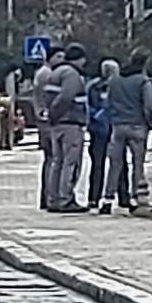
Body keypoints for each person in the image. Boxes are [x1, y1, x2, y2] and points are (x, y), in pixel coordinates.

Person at [106, 50, 152, 214]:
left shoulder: (115, 80)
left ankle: (107, 199)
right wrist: (150, 122)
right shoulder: (143, 81)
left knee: (115, 164)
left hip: (118, 125)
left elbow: (109, 101)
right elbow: (148, 106)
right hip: (137, 126)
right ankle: (135, 197)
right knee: (137, 164)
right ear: (144, 63)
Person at [43, 44, 90, 213]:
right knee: (70, 162)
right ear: (80, 59)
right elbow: (66, 97)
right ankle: (66, 199)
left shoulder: (54, 73)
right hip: (70, 122)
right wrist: (57, 113)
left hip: (57, 124)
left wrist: (52, 116)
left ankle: (53, 198)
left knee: (57, 162)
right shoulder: (71, 74)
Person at [86, 58, 117, 209]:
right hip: (106, 128)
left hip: (99, 129)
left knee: (99, 165)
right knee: (116, 163)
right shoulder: (98, 87)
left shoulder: (93, 86)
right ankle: (122, 196)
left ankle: (94, 197)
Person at [32, 56, 58, 209]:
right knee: (52, 159)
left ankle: (45, 197)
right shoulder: (47, 75)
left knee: (49, 159)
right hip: (47, 121)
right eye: (59, 56)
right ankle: (49, 196)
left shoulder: (41, 73)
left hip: (43, 119)